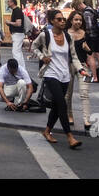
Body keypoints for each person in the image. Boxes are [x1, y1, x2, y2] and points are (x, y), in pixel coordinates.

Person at [31, 8, 83, 149]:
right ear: (52, 21)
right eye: (59, 19)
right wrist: (43, 57)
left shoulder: (68, 37)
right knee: (62, 103)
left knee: (56, 106)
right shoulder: (45, 35)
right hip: (50, 74)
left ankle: (47, 131)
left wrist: (81, 69)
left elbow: (73, 56)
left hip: (65, 75)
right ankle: (70, 136)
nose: (62, 22)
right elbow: (33, 47)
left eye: (63, 19)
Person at [64, 11, 94, 133]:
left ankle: (86, 120)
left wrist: (88, 49)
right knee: (68, 94)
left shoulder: (85, 34)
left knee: (84, 93)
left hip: (82, 66)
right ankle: (69, 115)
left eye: (80, 20)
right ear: (71, 21)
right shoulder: (65, 34)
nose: (78, 22)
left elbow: (90, 52)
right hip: (68, 66)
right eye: (76, 20)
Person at [7, 0, 26, 69]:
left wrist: (9, 22)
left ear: (12, 3)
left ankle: (19, 68)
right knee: (18, 51)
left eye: (8, 1)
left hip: (18, 33)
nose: (7, 3)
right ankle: (22, 68)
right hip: (17, 33)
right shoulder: (16, 10)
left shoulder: (17, 11)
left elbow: (18, 23)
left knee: (16, 52)